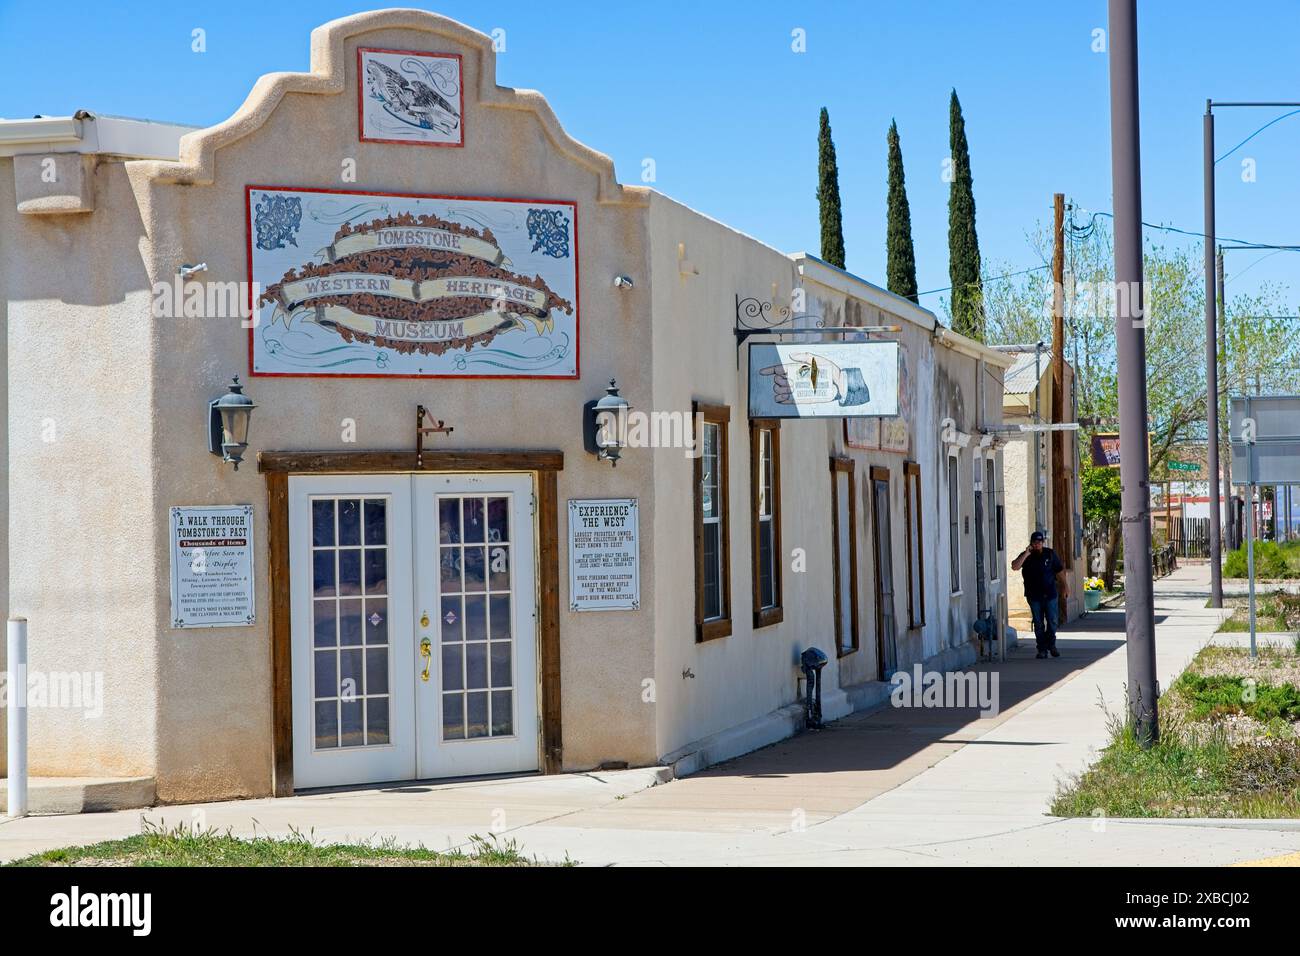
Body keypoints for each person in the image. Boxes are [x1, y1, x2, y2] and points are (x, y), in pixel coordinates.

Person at [1011, 531, 1064, 659]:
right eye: (1035, 542)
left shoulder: (1050, 554)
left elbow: (1059, 571)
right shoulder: (1026, 556)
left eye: (1039, 542)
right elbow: (1015, 567)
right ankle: (1042, 649)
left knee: (1053, 621)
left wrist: (1065, 586)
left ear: (1043, 542)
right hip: (1034, 595)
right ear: (1031, 543)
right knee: (1038, 623)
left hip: (1050, 594)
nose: (1037, 544)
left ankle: (1051, 644)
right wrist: (1026, 554)